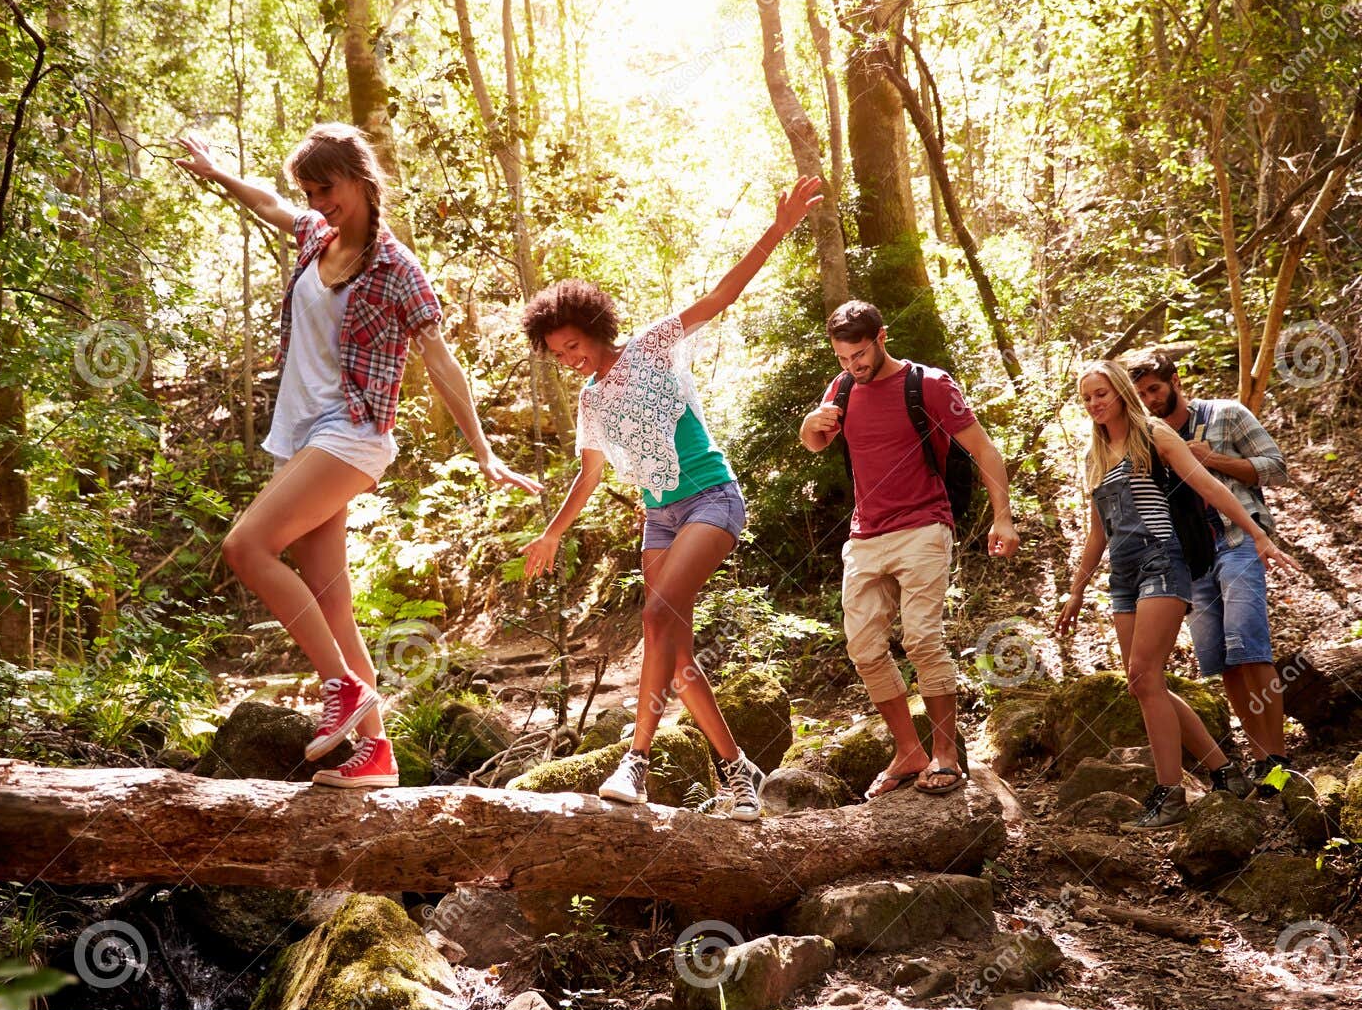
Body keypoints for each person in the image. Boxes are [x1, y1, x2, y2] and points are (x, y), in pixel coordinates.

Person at [175, 123, 540, 788]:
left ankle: (340, 688)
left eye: (327, 188)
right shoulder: (316, 235)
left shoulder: (397, 268)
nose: (318, 202)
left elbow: (441, 362)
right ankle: (378, 754)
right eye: (310, 192)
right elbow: (268, 203)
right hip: (307, 436)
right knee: (331, 601)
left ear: (361, 179)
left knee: (246, 547)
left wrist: (483, 450)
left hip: (353, 434)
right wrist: (218, 172)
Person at [519, 176, 824, 821]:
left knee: (656, 618)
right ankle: (737, 771)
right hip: (659, 517)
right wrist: (552, 532)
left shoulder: (653, 345)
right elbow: (591, 474)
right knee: (678, 660)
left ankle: (637, 760)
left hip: (712, 498)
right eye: (557, 354)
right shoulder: (589, 399)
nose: (568, 359)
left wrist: (779, 227)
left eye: (572, 345)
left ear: (595, 328)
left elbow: (721, 295)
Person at [1054, 362, 1298, 830]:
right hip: (1122, 576)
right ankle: (1223, 771)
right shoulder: (1097, 453)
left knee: (1146, 675)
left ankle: (1171, 796)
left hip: (1162, 563)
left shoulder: (1154, 434)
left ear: (1120, 392)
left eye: (1101, 393)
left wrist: (1259, 535)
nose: (1094, 403)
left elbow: (1208, 485)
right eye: (1086, 398)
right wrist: (1076, 590)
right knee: (1145, 684)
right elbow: (1098, 532)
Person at [800, 300, 1019, 800]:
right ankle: (908, 751)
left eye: (859, 355)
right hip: (865, 534)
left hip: (924, 525)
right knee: (864, 647)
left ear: (881, 336)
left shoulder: (930, 385)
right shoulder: (844, 389)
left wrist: (1002, 516)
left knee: (921, 639)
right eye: (842, 359)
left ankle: (945, 753)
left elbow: (985, 450)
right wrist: (811, 423)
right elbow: (814, 442)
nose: (852, 366)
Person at [1126, 348, 1292, 795]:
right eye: (1140, 394)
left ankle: (1277, 762)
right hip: (1189, 557)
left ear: (1175, 381)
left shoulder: (1226, 414)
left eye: (1155, 389)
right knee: (1222, 660)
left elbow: (1276, 469)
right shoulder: (1145, 436)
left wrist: (1211, 458)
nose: (1149, 399)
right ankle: (1259, 758)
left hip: (1236, 541)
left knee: (1250, 646)